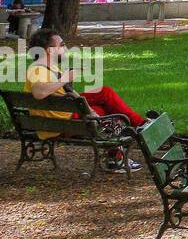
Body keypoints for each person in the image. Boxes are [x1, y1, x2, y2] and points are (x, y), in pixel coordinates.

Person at [23, 28, 156, 172]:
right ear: (49, 50)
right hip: (60, 123)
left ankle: (125, 145)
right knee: (108, 112)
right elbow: (39, 93)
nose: (65, 48)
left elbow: (68, 92)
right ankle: (134, 135)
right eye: (61, 45)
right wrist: (65, 78)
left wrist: (89, 109)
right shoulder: (38, 70)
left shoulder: (48, 68)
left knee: (104, 95)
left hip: (60, 118)